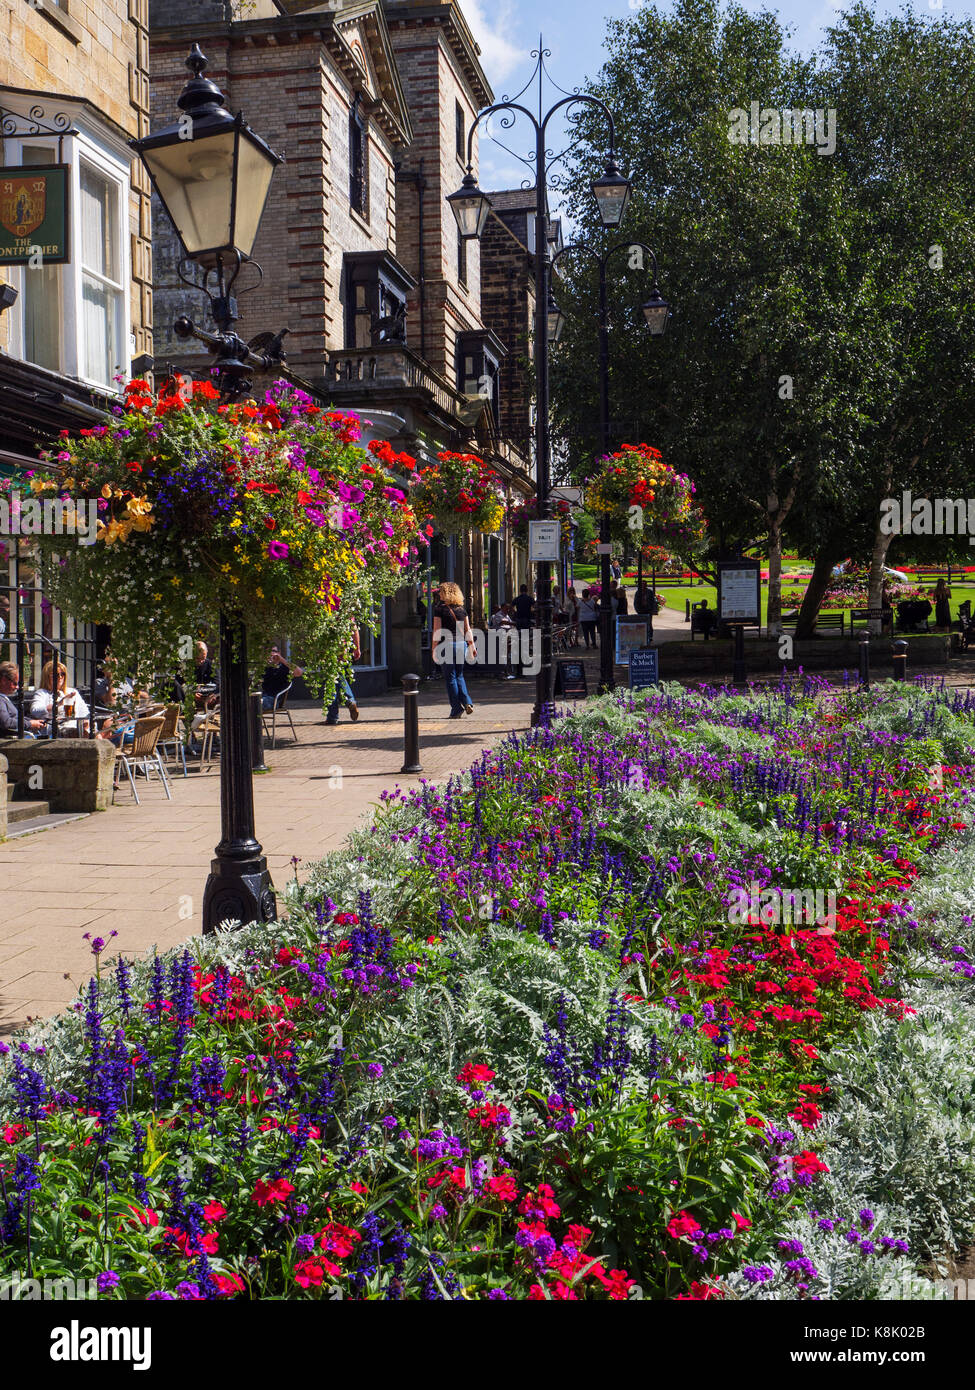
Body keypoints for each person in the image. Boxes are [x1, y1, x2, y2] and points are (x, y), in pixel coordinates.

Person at [433, 580, 476, 717]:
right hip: (460, 645)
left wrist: (434, 649)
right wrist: (472, 646)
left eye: (440, 591)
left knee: (450, 678)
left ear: (446, 593)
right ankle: (467, 701)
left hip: (446, 645)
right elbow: (467, 630)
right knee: (459, 675)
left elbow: (437, 631)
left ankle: (456, 709)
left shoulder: (440, 609)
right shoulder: (461, 610)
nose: (439, 594)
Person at [30, 660, 89, 734]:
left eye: (62, 674)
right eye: (56, 675)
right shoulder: (42, 693)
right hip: (55, 731)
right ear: (47, 677)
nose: (60, 677)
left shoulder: (72, 691)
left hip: (76, 728)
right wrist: (58, 704)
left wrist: (87, 725)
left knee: (106, 726)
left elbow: (85, 713)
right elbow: (35, 711)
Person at [326, 629, 361, 724]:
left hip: (327, 649)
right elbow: (354, 629)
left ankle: (333, 716)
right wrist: (357, 648)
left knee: (331, 681)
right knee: (337, 678)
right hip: (342, 649)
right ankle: (348, 702)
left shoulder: (325, 613)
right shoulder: (347, 613)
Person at [0, 662, 44, 737]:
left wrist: (32, 721)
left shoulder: (4, 697)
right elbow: (6, 722)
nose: (17, 687)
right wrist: (30, 724)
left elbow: (14, 717)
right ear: (4, 680)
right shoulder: (1, 700)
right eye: (14, 683)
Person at [262, 645, 303, 712]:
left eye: (274, 651)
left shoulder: (284, 667)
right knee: (249, 701)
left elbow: (299, 672)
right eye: (269, 652)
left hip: (275, 700)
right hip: (263, 697)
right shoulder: (264, 668)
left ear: (279, 653)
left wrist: (282, 659)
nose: (271, 653)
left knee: (257, 703)